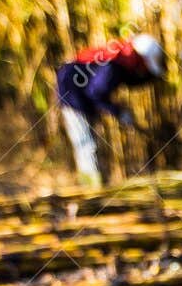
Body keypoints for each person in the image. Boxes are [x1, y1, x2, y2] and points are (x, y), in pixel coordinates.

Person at [55, 33, 167, 186]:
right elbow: (95, 93)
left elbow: (128, 81)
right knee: (86, 145)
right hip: (73, 97)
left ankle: (94, 185)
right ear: (143, 58)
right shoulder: (113, 65)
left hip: (79, 96)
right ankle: (91, 190)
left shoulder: (122, 60)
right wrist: (118, 112)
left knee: (90, 144)